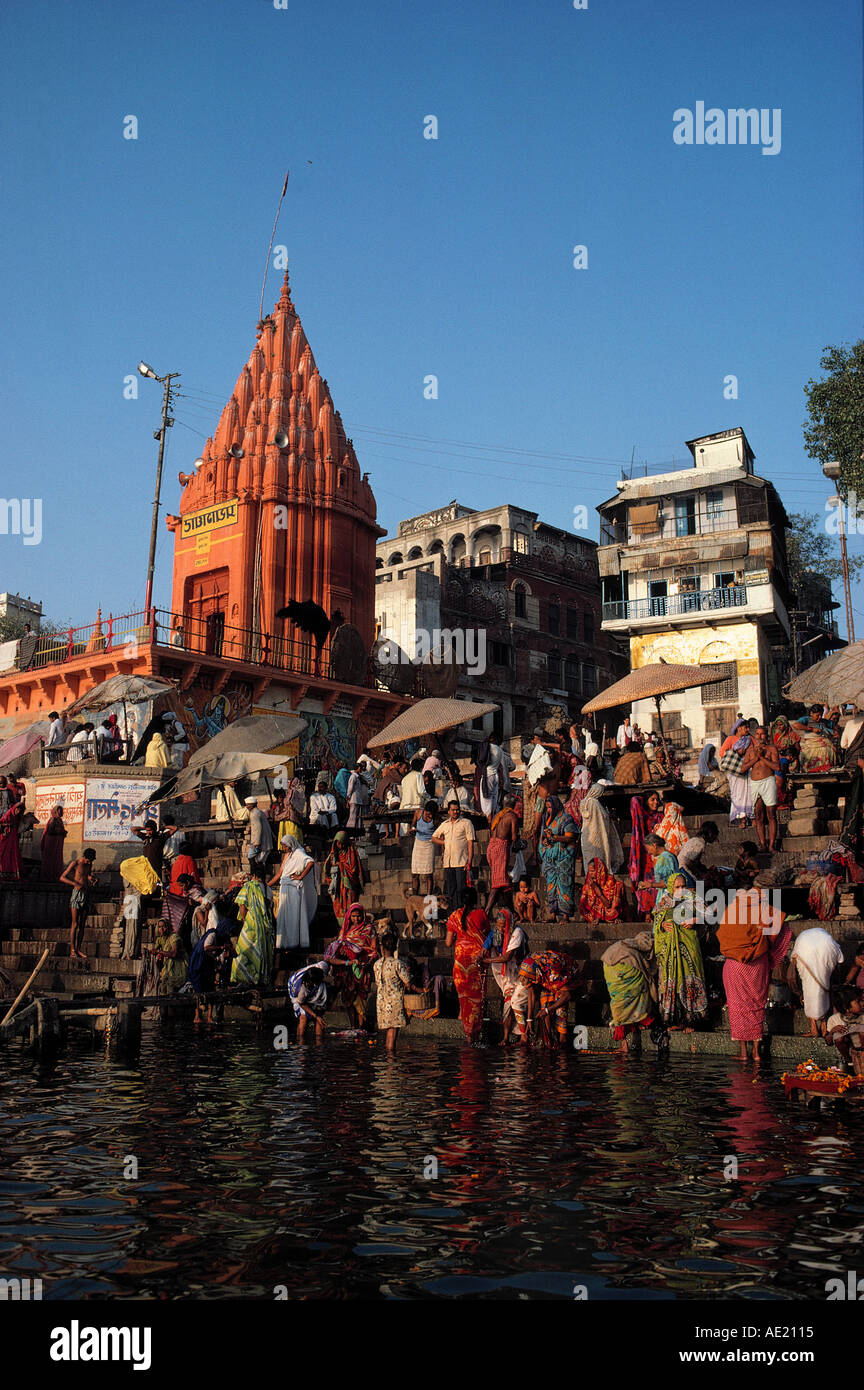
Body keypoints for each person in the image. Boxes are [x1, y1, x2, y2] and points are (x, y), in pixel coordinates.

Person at [718, 887, 791, 1061]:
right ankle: (756, 1052)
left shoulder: (732, 911)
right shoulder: (765, 910)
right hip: (758, 965)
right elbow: (785, 930)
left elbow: (722, 937)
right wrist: (772, 954)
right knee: (757, 1004)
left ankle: (743, 1052)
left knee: (737, 1007)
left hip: (735, 966)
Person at [652, 872, 708, 1028]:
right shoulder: (665, 901)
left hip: (689, 947)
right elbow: (657, 924)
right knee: (672, 983)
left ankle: (692, 1021)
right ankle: (675, 1021)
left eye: (683, 886)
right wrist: (662, 926)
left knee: (689, 980)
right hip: (669, 950)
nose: (681, 890)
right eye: (677, 887)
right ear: (671, 887)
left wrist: (695, 920)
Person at [444, 886, 491, 1044]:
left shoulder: (454, 916)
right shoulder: (480, 914)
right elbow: (488, 936)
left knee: (465, 1000)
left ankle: (469, 1036)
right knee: (476, 1001)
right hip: (476, 964)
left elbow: (448, 942)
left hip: (460, 965)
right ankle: (472, 1036)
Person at [324, 902, 380, 1027]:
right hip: (346, 969)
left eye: (358, 916)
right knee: (348, 998)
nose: (356, 919)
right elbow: (338, 946)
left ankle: (360, 1027)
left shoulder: (369, 928)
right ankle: (353, 1026)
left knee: (361, 997)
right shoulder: (345, 930)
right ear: (349, 916)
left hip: (362, 967)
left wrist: (367, 962)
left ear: (363, 915)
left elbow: (374, 949)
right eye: (353, 916)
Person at [511, 949, 579, 1047]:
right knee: (544, 1000)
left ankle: (562, 1039)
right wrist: (529, 1019)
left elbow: (567, 996)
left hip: (566, 972)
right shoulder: (528, 967)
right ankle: (547, 1040)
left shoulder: (553, 972)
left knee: (560, 1005)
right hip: (545, 974)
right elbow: (531, 993)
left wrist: (548, 1010)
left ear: (535, 976)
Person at [602, 932, 656, 1054]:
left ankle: (627, 1038)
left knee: (620, 1001)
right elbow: (649, 974)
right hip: (622, 968)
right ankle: (636, 1027)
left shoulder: (628, 943)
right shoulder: (637, 951)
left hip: (608, 965)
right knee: (641, 991)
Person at [789, 926, 845, 1037]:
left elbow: (793, 958)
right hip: (826, 948)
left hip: (806, 949)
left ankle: (814, 1027)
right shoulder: (822, 937)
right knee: (824, 987)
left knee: (809, 989)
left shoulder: (804, 937)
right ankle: (824, 1027)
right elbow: (841, 959)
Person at [271, 833, 318, 957]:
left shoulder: (299, 853)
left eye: (285, 846)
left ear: (290, 845)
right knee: (284, 916)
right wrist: (267, 884)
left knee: (293, 916)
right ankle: (284, 944)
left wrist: (301, 876)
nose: (283, 848)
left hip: (293, 890)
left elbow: (310, 862)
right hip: (285, 888)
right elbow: (280, 873)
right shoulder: (288, 856)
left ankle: (293, 943)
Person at [487, 907, 529, 1045]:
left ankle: (524, 1036)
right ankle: (505, 1038)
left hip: (521, 973)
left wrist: (488, 961)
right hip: (508, 976)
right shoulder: (497, 932)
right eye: (498, 926)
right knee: (507, 1004)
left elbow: (507, 956)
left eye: (503, 926)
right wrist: (481, 954)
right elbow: (486, 944)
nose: (501, 929)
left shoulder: (517, 932)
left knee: (516, 1003)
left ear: (509, 923)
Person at [231, 862, 275, 989]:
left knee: (244, 950)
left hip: (251, 923)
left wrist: (245, 919)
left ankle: (245, 978)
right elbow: (269, 908)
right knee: (262, 951)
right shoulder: (268, 890)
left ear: (253, 875)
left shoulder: (249, 887)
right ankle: (260, 978)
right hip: (266, 925)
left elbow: (242, 905)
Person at [538, 794, 578, 922]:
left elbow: (570, 837)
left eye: (550, 807)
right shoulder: (546, 819)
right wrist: (544, 841)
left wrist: (554, 837)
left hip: (564, 857)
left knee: (564, 885)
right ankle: (553, 914)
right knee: (551, 885)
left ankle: (565, 915)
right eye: (547, 808)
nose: (548, 810)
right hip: (550, 858)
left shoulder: (566, 818)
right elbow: (543, 836)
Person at [739, 726, 780, 852]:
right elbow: (742, 768)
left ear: (766, 735)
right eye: (757, 734)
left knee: (771, 814)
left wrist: (762, 757)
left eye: (762, 734)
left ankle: (772, 845)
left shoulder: (771, 749)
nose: (759, 736)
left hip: (768, 781)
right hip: (755, 783)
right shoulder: (750, 750)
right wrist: (756, 758)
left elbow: (777, 767)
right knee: (758, 816)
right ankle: (763, 844)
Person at [373, 931, 412, 1050]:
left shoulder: (377, 964)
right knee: (393, 1030)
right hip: (394, 1001)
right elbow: (408, 983)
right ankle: (391, 1062)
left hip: (381, 1002)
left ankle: (388, 1059)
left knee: (389, 1031)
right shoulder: (398, 964)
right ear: (395, 947)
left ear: (382, 947)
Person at [432, 800, 476, 902]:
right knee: (451, 891)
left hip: (461, 862)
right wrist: (445, 843)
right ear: (448, 811)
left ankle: (461, 913)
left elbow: (470, 843)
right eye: (453, 810)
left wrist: (469, 861)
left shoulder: (466, 823)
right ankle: (453, 914)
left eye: (457, 810)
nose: (455, 812)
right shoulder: (445, 824)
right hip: (448, 863)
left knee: (462, 889)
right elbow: (434, 837)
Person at [629, 790, 664, 913]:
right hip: (643, 855)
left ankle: (657, 910)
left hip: (657, 854)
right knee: (645, 882)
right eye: (652, 799)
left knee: (656, 881)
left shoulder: (661, 816)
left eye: (657, 799)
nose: (656, 802)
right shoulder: (641, 815)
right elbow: (634, 800)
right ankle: (646, 911)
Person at [60, 848, 98, 960]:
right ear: (84, 857)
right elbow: (62, 877)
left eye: (91, 861)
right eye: (88, 861)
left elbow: (87, 876)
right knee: (75, 924)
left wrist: (93, 879)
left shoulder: (89, 864)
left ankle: (78, 949)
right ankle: (72, 950)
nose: (90, 863)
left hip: (86, 894)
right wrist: (74, 884)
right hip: (76, 894)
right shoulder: (75, 863)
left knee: (82, 925)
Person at [485, 795, 519, 915]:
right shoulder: (512, 816)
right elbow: (514, 837)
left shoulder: (497, 816)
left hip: (491, 848)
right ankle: (487, 911)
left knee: (503, 883)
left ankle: (513, 912)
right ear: (513, 805)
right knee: (497, 884)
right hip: (500, 849)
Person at [322, 830, 364, 919]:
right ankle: (342, 925)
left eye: (341, 843)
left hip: (349, 884)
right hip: (337, 885)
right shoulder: (333, 853)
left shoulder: (351, 851)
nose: (340, 846)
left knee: (350, 904)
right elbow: (327, 867)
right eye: (338, 843)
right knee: (337, 904)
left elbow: (353, 869)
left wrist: (340, 865)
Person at [637, 833, 680, 919]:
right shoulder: (670, 856)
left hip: (666, 896)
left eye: (648, 848)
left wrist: (650, 885)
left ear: (654, 845)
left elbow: (666, 883)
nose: (648, 852)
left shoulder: (664, 859)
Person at [288, 962, 332, 1040]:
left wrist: (347, 963)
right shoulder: (301, 989)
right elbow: (302, 1003)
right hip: (296, 994)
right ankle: (300, 1044)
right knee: (303, 1018)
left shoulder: (322, 967)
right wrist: (315, 1015)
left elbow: (329, 960)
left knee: (319, 1018)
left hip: (313, 989)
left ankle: (319, 1045)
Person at [826, 987, 864, 1074]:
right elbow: (829, 1042)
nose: (862, 1003)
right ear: (845, 1006)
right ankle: (850, 1062)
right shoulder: (834, 1019)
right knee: (839, 1037)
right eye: (858, 1001)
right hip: (848, 1058)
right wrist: (832, 1032)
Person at [792, 703, 839, 772]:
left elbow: (835, 727)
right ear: (811, 713)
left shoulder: (824, 722)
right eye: (817, 715)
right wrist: (811, 729)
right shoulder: (806, 720)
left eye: (821, 715)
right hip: (811, 745)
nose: (819, 717)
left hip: (824, 744)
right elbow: (795, 725)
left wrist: (833, 732)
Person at [580, 857, 624, 923]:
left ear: (599, 870)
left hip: (609, 909)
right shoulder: (590, 882)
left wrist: (596, 889)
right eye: (589, 871)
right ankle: (597, 916)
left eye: (592, 871)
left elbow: (608, 904)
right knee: (585, 889)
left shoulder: (610, 881)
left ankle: (609, 917)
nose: (590, 874)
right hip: (596, 911)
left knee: (619, 885)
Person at [410, 801, 438, 895]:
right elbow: (413, 824)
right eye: (429, 814)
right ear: (425, 811)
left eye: (432, 814)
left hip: (429, 845)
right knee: (415, 873)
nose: (430, 816)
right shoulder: (418, 813)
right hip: (418, 843)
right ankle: (414, 896)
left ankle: (429, 897)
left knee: (428, 874)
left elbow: (440, 834)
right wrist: (413, 829)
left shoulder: (436, 820)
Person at [244, 796, 274, 870]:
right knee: (257, 859)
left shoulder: (255, 814)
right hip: (264, 841)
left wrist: (256, 842)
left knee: (253, 858)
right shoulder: (258, 812)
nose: (247, 807)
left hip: (261, 842)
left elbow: (258, 828)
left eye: (248, 805)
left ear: (253, 804)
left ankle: (256, 875)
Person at [40, 803, 67, 880]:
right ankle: (49, 876)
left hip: (57, 842)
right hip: (52, 842)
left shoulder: (60, 820)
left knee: (57, 859)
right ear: (55, 812)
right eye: (59, 811)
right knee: (50, 858)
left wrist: (63, 832)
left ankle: (56, 875)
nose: (60, 812)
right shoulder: (53, 820)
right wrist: (60, 832)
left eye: (61, 811)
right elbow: (50, 831)